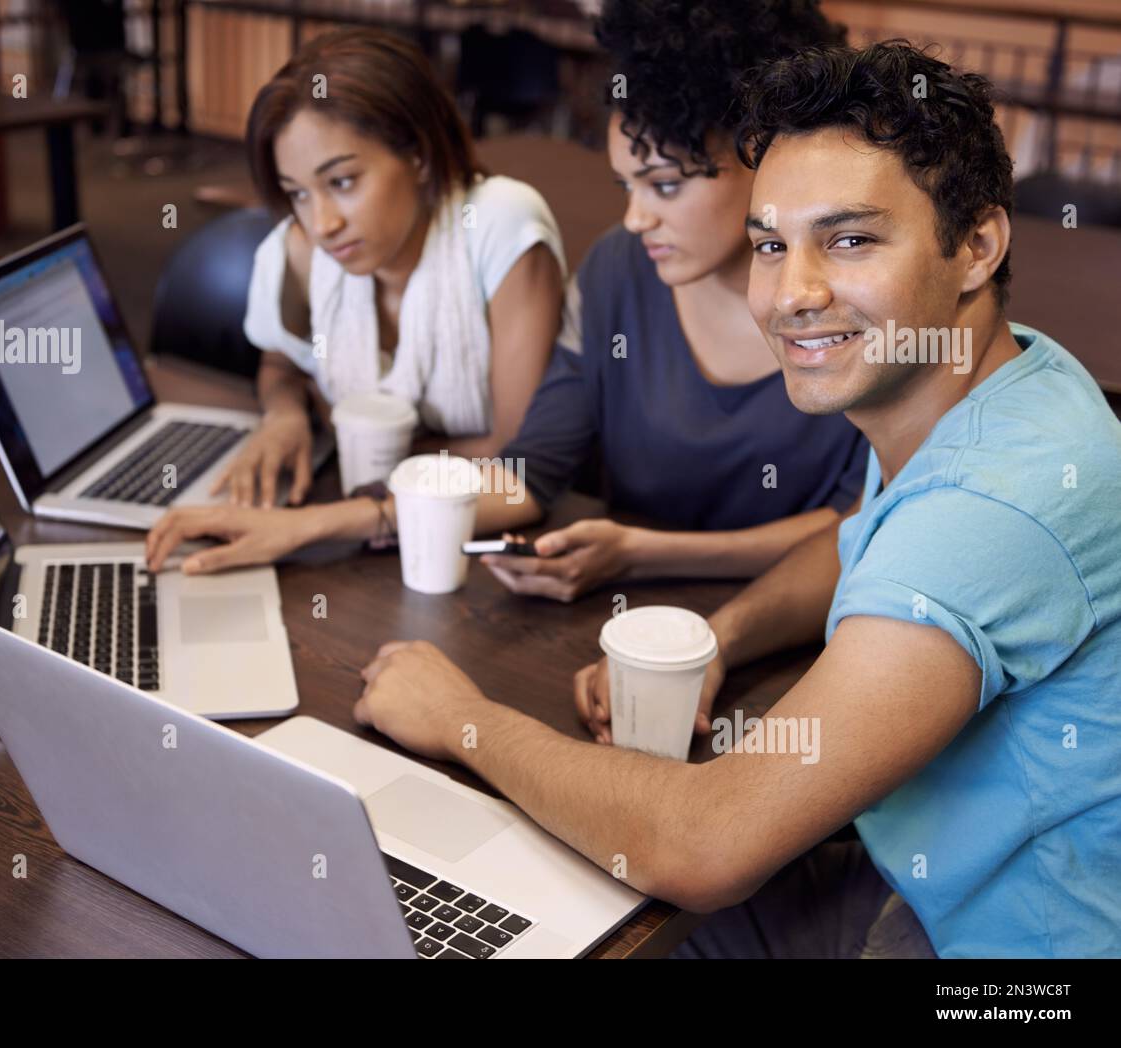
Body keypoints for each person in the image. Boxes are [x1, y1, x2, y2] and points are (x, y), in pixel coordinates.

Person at [348, 41, 1121, 958]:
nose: (792, 294)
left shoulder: (990, 506)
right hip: (919, 872)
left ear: (978, 246)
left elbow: (704, 845)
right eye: (770, 245)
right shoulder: (998, 377)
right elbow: (866, 537)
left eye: (850, 239)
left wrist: (460, 721)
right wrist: (724, 637)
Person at [145, 0, 867, 585]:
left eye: (666, 186)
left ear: (767, 154)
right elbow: (526, 474)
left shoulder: (861, 300)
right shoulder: (618, 271)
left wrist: (646, 555)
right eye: (626, 185)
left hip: (815, 634)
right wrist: (313, 526)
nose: (635, 217)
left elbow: (862, 527)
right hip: (630, 621)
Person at [219, 27, 564, 511]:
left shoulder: (498, 225)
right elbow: (281, 364)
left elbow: (515, 452)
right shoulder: (299, 252)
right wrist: (284, 414)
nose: (322, 224)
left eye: (342, 181)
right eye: (297, 193)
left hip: (485, 518)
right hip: (364, 506)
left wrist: (376, 466)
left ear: (418, 155)